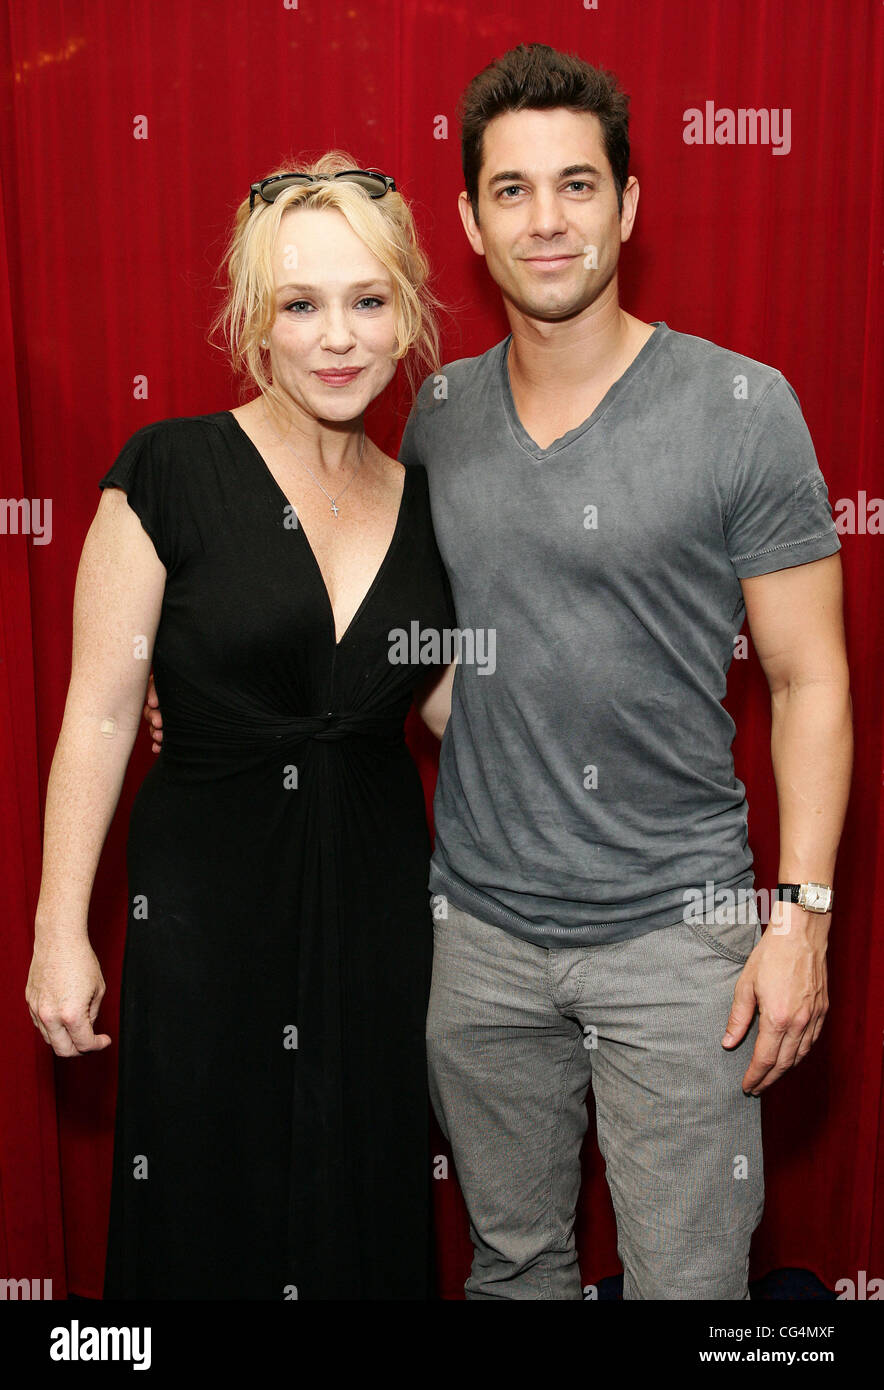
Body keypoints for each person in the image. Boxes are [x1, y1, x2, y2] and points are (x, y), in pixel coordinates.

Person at [397, 44, 850, 1299]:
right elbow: (427, 643)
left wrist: (797, 922)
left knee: (691, 1287)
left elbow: (809, 683)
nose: (547, 220)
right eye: (511, 190)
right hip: (478, 932)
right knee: (512, 1266)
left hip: (678, 935)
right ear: (470, 223)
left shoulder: (740, 407)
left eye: (577, 185)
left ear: (629, 205)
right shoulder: (434, 413)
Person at [25, 152, 457, 1300]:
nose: (337, 337)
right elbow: (102, 713)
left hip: (376, 904)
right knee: (206, 1196)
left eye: (367, 302)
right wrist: (58, 931)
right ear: (253, 321)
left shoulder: (426, 499)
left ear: (407, 308)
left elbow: (449, 703)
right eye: (300, 305)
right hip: (207, 906)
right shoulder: (168, 469)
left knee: (360, 1188)